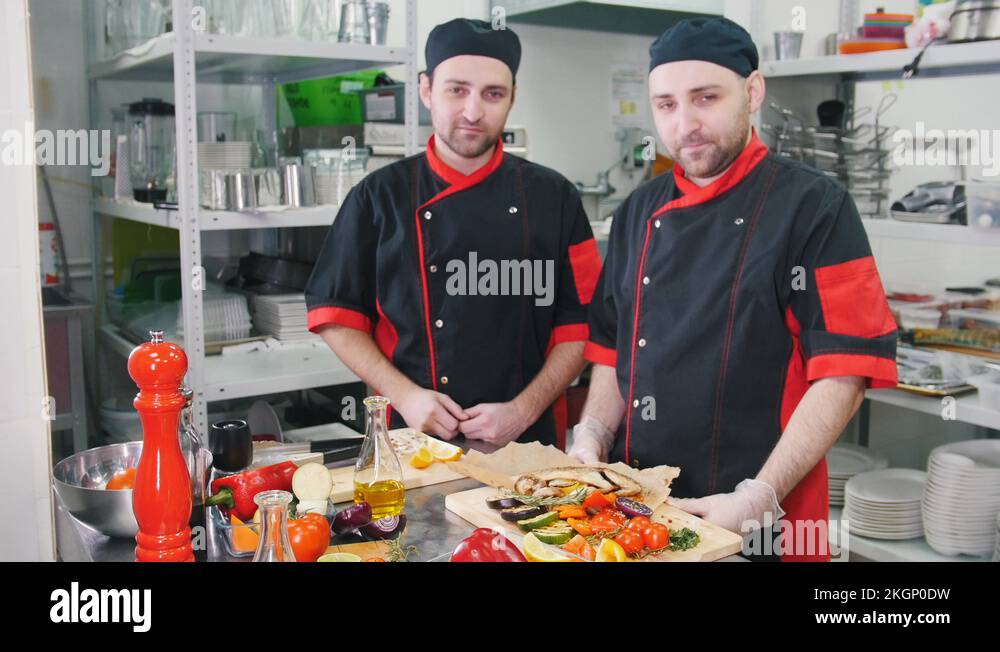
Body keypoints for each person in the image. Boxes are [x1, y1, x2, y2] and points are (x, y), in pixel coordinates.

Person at [569, 17, 898, 561]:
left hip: (764, 519)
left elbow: (846, 371)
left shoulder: (816, 207)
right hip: (639, 512)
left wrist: (759, 497)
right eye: (667, 104)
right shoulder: (636, 212)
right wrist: (593, 433)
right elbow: (611, 350)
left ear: (752, 92)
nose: (686, 124)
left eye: (705, 98)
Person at [306, 19, 601, 448]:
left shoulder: (554, 197)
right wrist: (404, 396)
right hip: (411, 436)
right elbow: (336, 316)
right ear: (426, 90)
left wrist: (523, 410)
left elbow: (583, 323)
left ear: (513, 98)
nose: (473, 112)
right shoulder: (379, 196)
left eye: (493, 94)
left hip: (529, 441)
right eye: (456, 90)